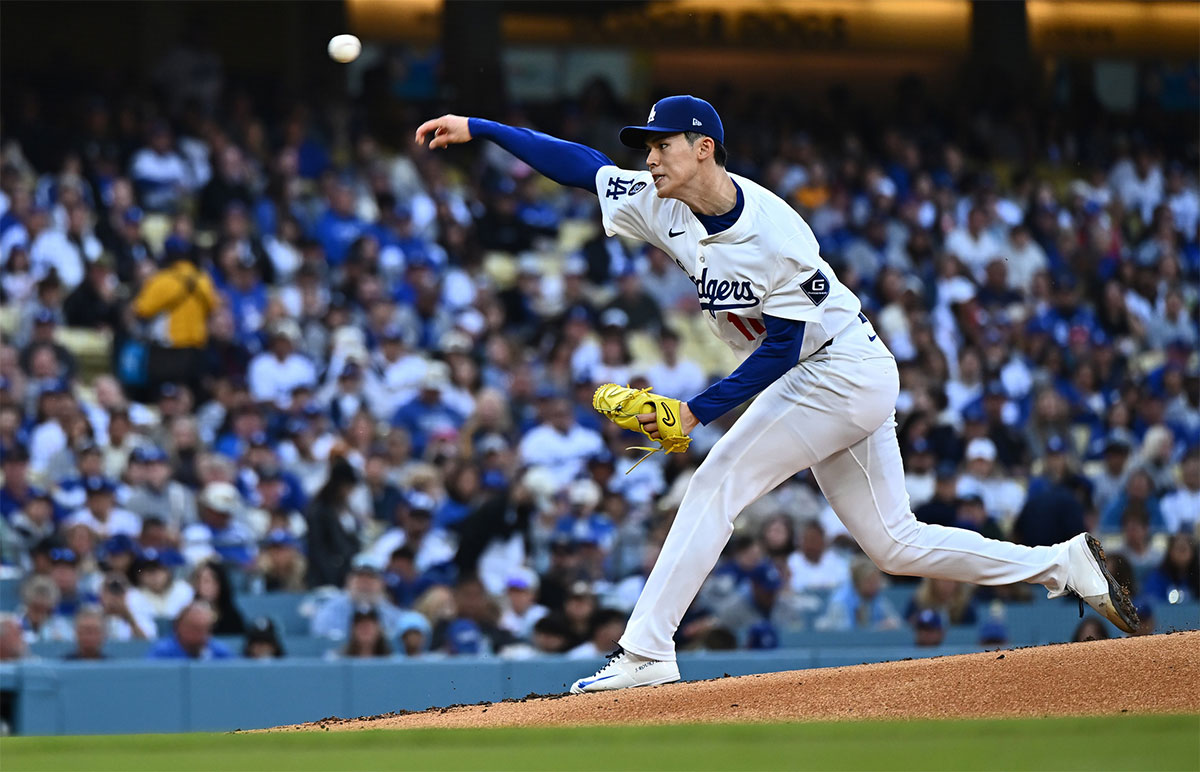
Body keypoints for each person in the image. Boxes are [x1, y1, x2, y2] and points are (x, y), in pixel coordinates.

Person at [416, 96, 1138, 693]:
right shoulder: (659, 199)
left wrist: (694, 413)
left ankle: (646, 652)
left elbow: (786, 349)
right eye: (648, 146)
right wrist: (481, 129)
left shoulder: (775, 231)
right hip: (823, 374)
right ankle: (1064, 564)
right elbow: (583, 168)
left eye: (661, 143)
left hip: (838, 369)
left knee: (715, 483)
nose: (649, 156)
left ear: (704, 147)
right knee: (892, 543)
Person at [147, 601, 234, 660]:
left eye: (207, 629)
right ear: (179, 627)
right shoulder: (161, 653)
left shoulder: (220, 652)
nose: (203, 635)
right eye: (196, 628)